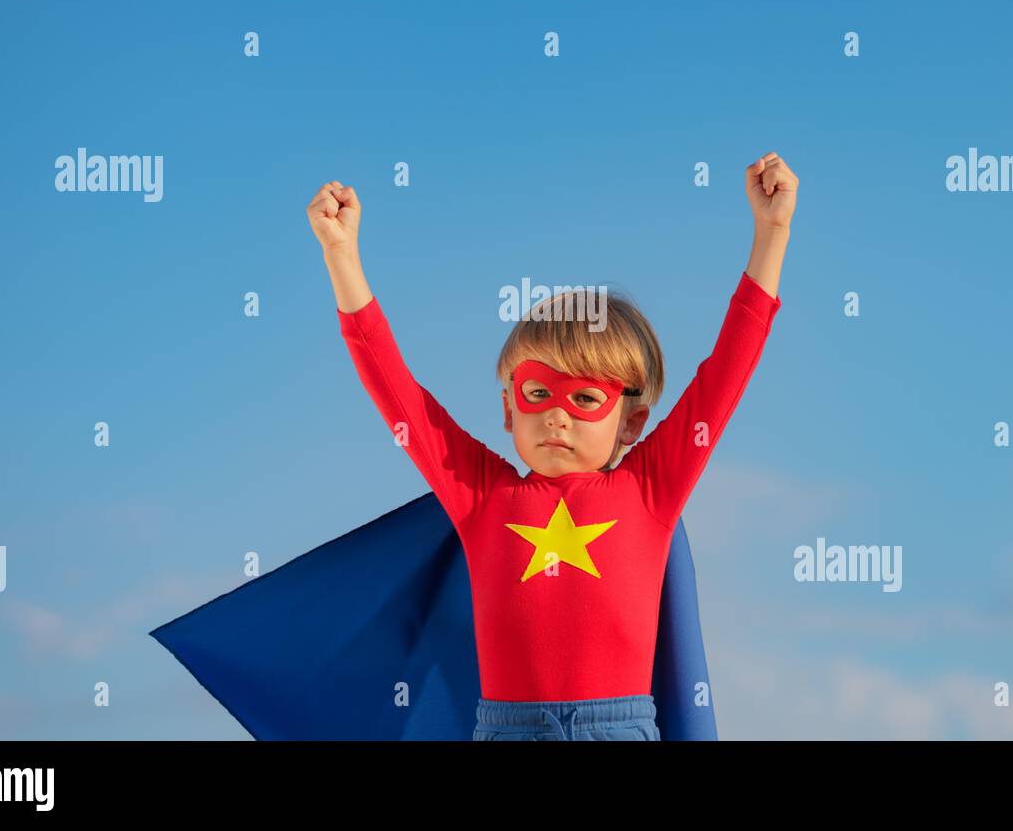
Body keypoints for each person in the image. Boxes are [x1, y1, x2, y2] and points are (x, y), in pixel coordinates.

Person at [305, 153, 797, 740]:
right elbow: (399, 394)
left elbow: (726, 373)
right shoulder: (480, 495)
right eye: (538, 392)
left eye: (585, 398)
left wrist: (771, 233)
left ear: (632, 423)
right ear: (508, 409)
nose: (557, 415)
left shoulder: (650, 489)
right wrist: (342, 256)